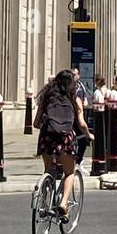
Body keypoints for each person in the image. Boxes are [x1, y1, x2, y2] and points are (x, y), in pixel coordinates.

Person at [34, 69, 91, 221]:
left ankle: (44, 203)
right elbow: (82, 124)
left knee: (49, 169)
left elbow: (35, 123)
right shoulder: (75, 99)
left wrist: (49, 128)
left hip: (46, 138)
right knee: (69, 173)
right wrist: (89, 135)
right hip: (65, 139)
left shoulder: (47, 97)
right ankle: (64, 203)